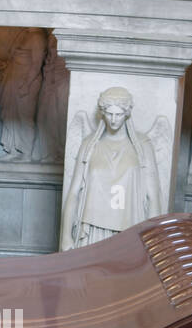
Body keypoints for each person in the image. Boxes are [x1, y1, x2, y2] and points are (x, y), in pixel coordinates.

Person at [61, 87, 162, 249]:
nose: (113, 119)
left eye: (119, 114)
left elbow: (153, 196)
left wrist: (154, 239)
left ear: (127, 113)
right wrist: (66, 236)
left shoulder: (142, 146)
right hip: (93, 229)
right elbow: (73, 193)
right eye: (109, 114)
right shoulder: (90, 145)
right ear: (103, 113)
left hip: (129, 231)